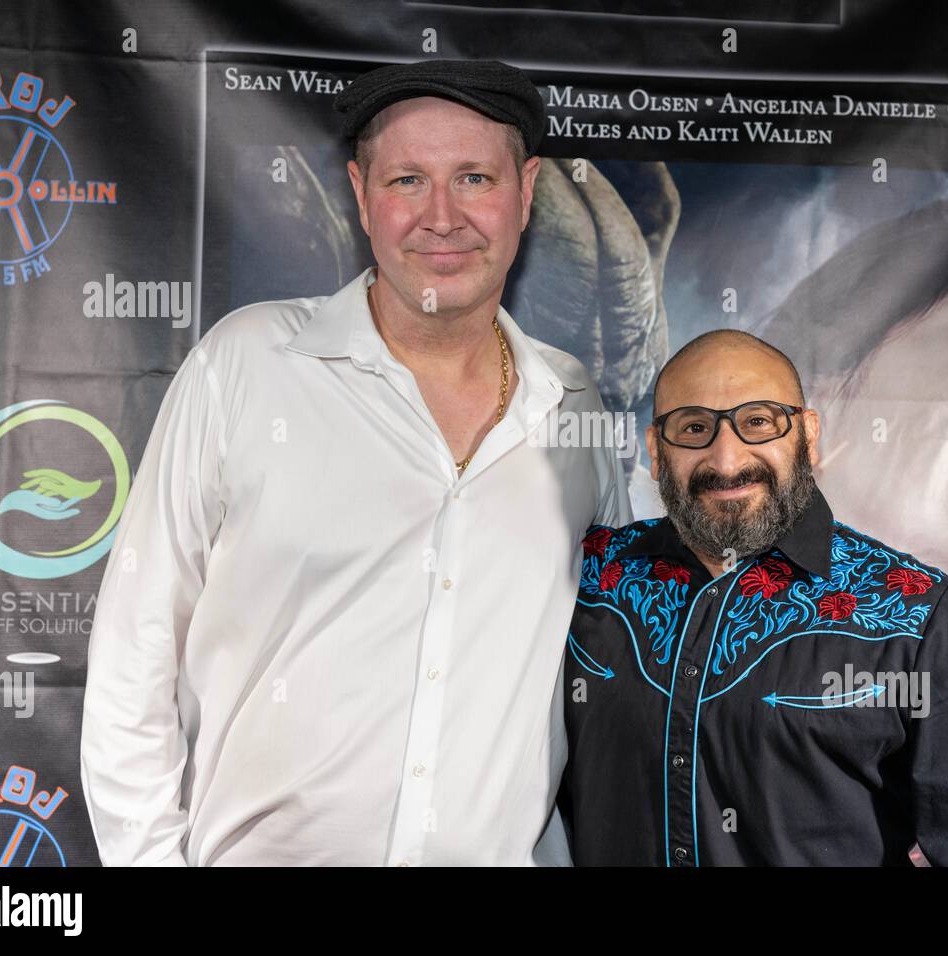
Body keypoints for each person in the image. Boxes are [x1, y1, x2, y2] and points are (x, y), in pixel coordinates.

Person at [80, 58, 631, 866]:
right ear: (361, 196)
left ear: (525, 192)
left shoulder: (574, 408)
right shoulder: (246, 364)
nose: (441, 218)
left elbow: (639, 653)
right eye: (407, 181)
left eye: (474, 177)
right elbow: (135, 653)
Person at [559, 329, 948, 865]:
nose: (727, 458)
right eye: (694, 427)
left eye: (758, 421)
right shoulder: (590, 578)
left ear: (808, 434)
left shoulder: (920, 618)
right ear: (656, 451)